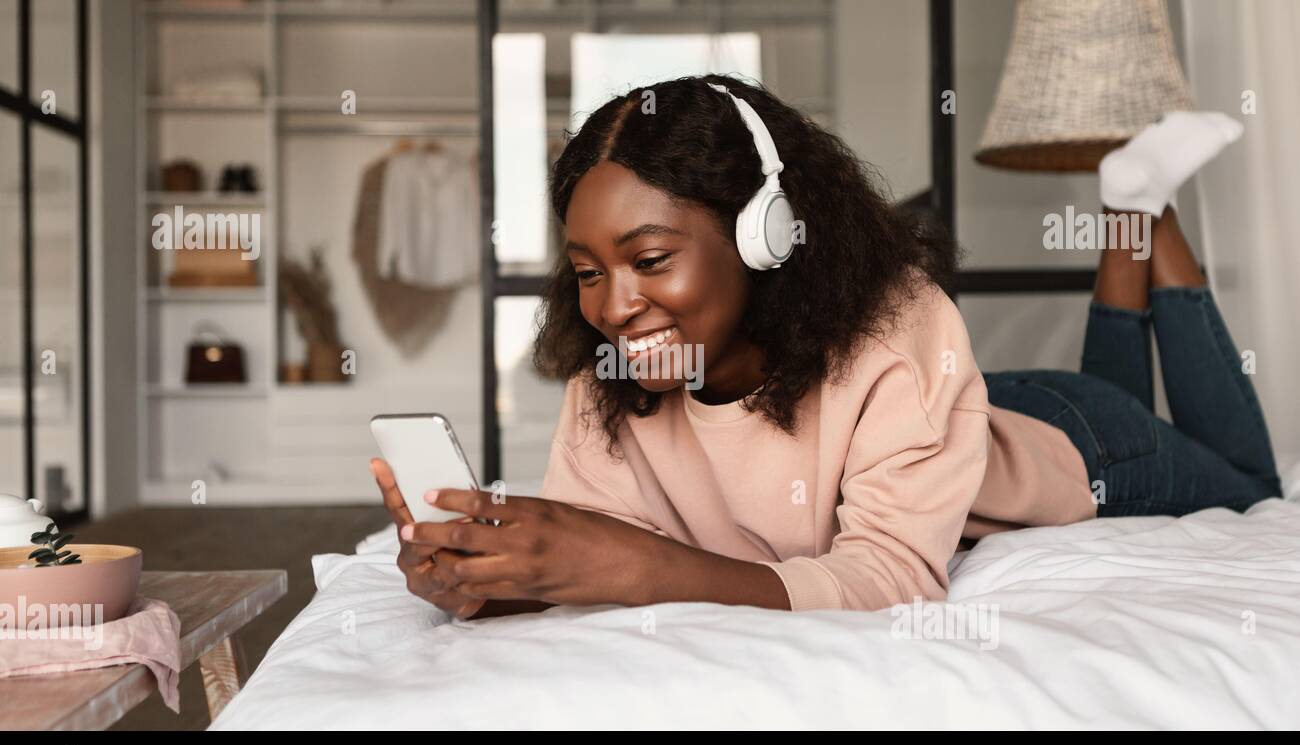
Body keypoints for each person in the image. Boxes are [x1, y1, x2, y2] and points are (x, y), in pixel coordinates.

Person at [370, 76, 1280, 619]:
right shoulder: (618, 364)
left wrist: (633, 566)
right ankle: (1130, 206)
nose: (615, 304)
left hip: (1072, 444)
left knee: (1249, 484)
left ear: (764, 234)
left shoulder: (894, 323)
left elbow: (887, 574)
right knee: (1106, 380)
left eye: (649, 258)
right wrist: (492, 579)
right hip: (937, 421)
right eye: (587, 271)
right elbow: (602, 542)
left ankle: (1141, 219)